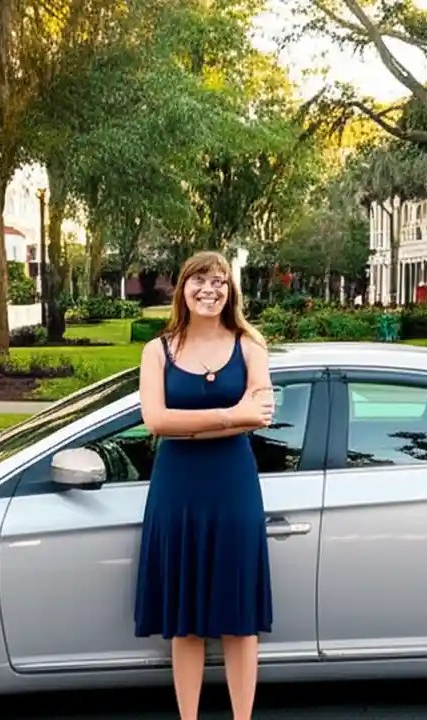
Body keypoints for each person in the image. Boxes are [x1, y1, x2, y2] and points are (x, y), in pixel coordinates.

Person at [134, 250, 276, 720]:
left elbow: (261, 415)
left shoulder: (250, 348)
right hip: (177, 491)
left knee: (239, 618)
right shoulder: (157, 351)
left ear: (230, 291)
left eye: (219, 282)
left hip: (233, 489)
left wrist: (189, 423)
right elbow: (155, 420)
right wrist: (231, 415)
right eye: (200, 280)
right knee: (186, 620)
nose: (209, 290)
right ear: (183, 288)